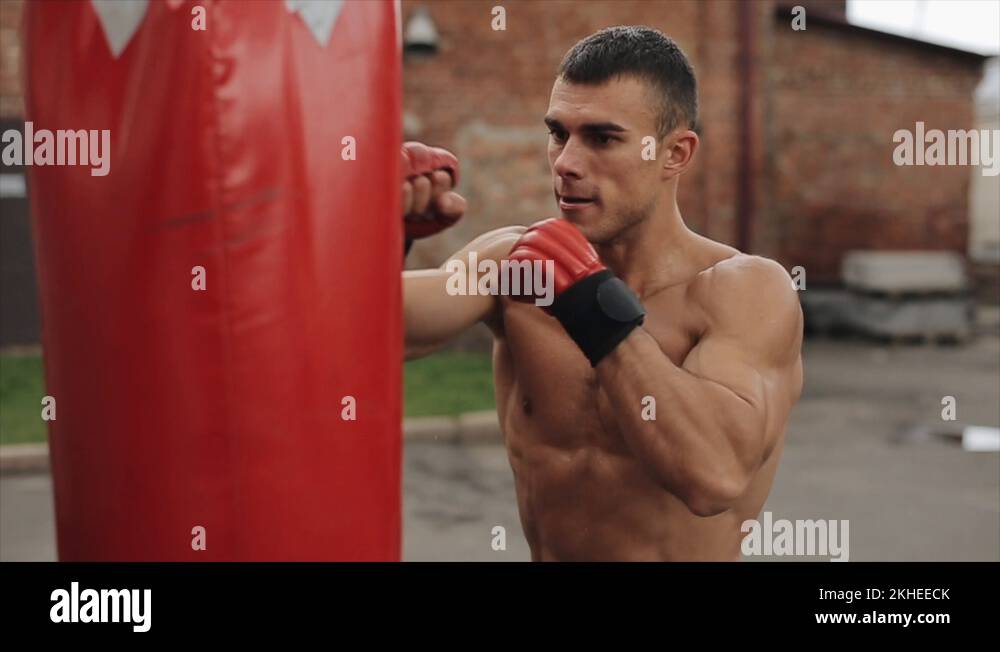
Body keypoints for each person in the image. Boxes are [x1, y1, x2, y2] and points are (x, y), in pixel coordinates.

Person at [401, 26, 803, 561]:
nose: (566, 161)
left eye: (601, 137)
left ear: (675, 154)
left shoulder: (744, 290)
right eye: (558, 134)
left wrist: (593, 306)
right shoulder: (514, 265)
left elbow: (714, 474)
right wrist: (381, 239)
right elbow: (365, 336)